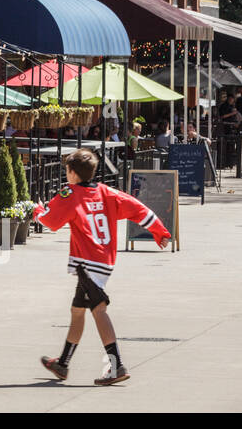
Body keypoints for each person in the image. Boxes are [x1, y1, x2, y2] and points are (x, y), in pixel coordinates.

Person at [34, 148, 171, 385]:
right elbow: (138, 208)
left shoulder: (71, 193)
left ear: (72, 173)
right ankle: (63, 363)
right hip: (103, 259)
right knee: (78, 311)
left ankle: (117, 366)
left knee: (99, 310)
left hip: (87, 262)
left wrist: (37, 212)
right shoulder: (106, 192)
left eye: (67, 170)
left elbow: (51, 220)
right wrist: (159, 230)